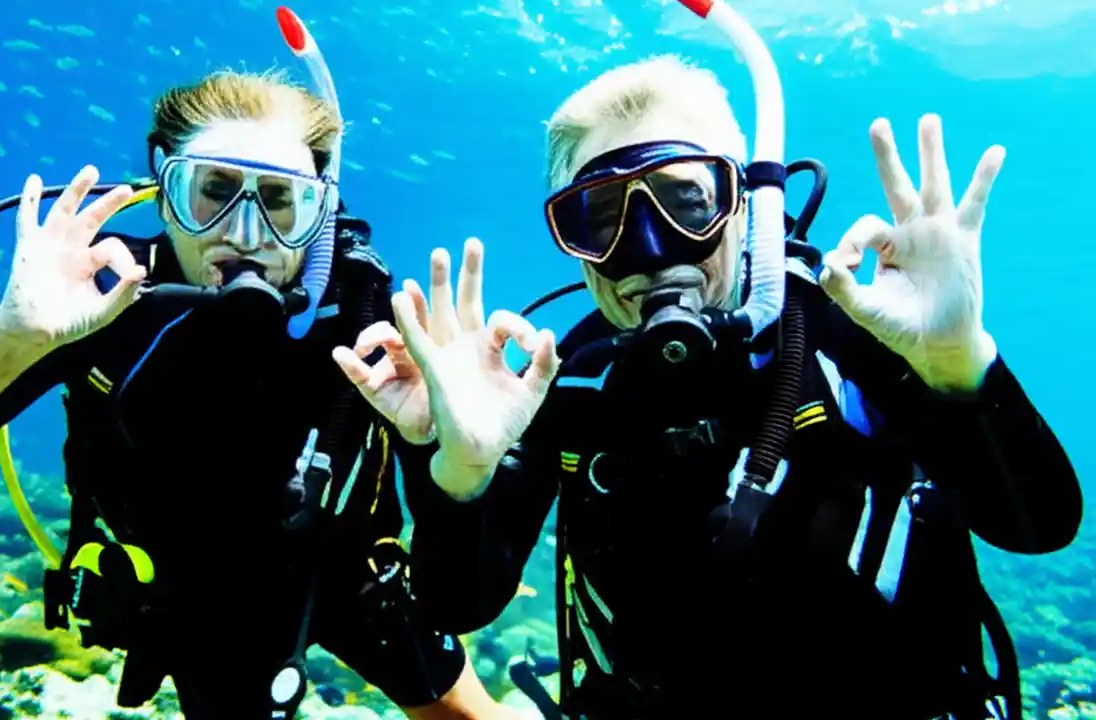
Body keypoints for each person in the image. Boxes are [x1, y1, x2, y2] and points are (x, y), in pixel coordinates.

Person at [331, 8, 1081, 720]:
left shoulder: (851, 335)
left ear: (750, 203)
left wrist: (960, 367)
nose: (648, 250)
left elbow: (1038, 525)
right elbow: (459, 606)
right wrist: (458, 473)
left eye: (685, 200)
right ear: (575, 248)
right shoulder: (569, 385)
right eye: (600, 218)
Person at [0, 9, 512, 720]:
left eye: (281, 202)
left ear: (322, 211)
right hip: (191, 592)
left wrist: (455, 460)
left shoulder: (364, 320)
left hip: (349, 575)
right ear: (162, 188)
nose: (245, 236)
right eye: (211, 191)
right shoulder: (99, 299)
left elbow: (462, 598)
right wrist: (10, 340)